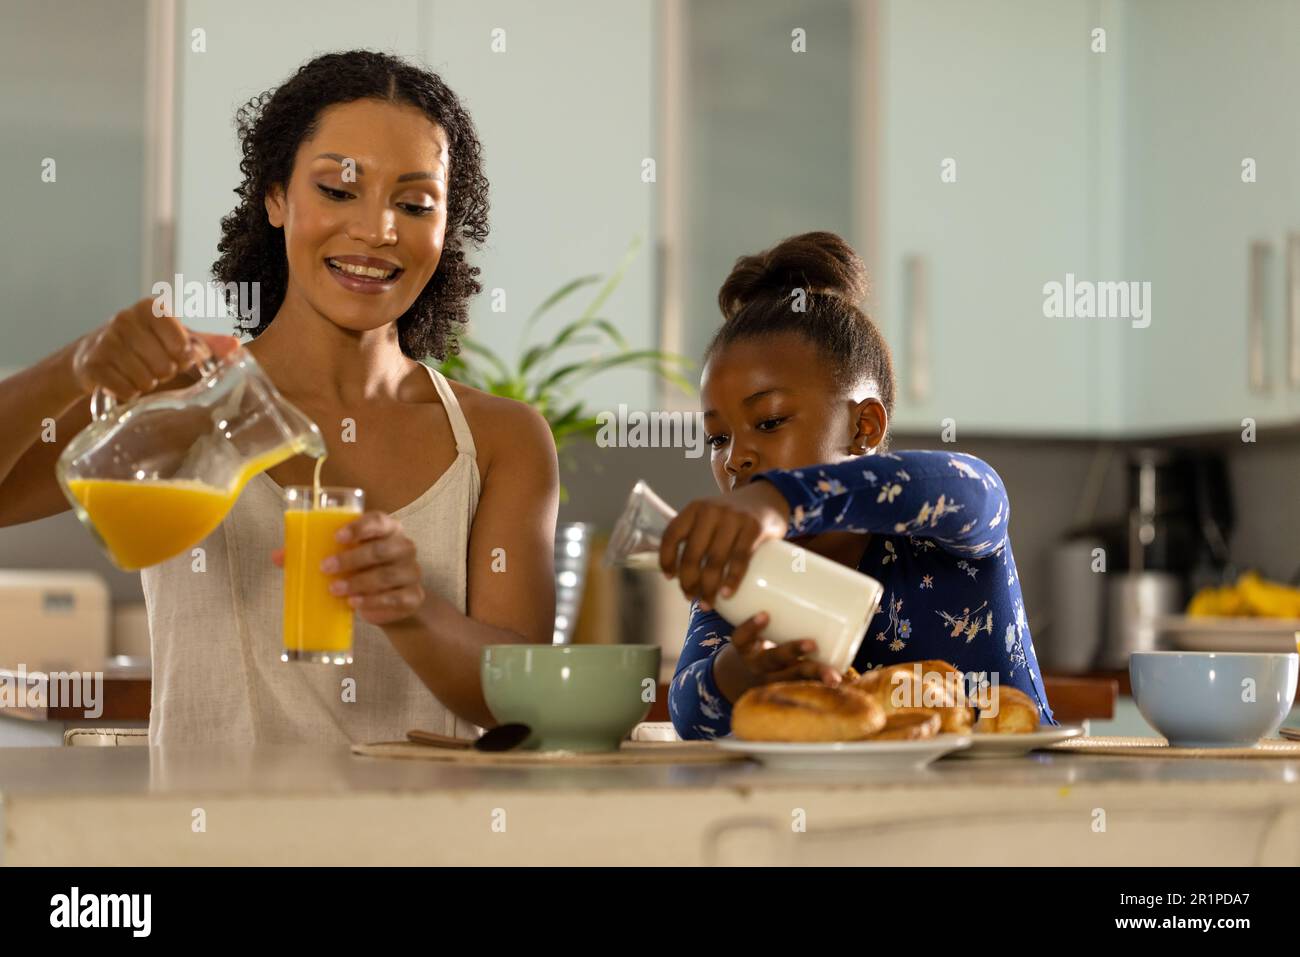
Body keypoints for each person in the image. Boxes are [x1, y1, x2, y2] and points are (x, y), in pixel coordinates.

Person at [0, 51, 558, 746]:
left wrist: (412, 609)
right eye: (338, 190)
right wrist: (71, 369)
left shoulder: (501, 439)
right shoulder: (183, 387)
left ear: (444, 230)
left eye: (414, 204)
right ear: (276, 197)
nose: (378, 229)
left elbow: (530, 705)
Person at [664, 231, 1055, 739]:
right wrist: (738, 674)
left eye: (769, 422)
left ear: (863, 428)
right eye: (718, 437)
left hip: (1020, 804)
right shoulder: (747, 575)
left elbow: (976, 487)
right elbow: (689, 716)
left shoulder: (942, 532)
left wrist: (784, 499)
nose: (736, 458)